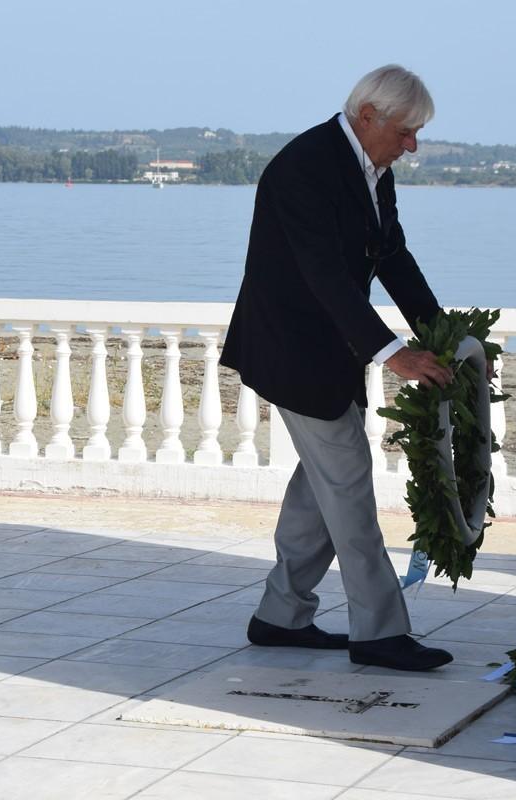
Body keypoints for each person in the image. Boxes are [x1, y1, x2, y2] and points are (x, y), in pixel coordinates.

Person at [220, 65, 457, 671]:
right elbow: (324, 276)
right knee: (347, 480)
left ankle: (280, 615)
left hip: (332, 351)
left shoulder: (373, 169)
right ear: (368, 115)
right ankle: (379, 632)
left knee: (322, 485)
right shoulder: (304, 167)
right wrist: (394, 354)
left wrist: (443, 336)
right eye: (405, 132)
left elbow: (392, 257)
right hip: (292, 350)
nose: (412, 146)